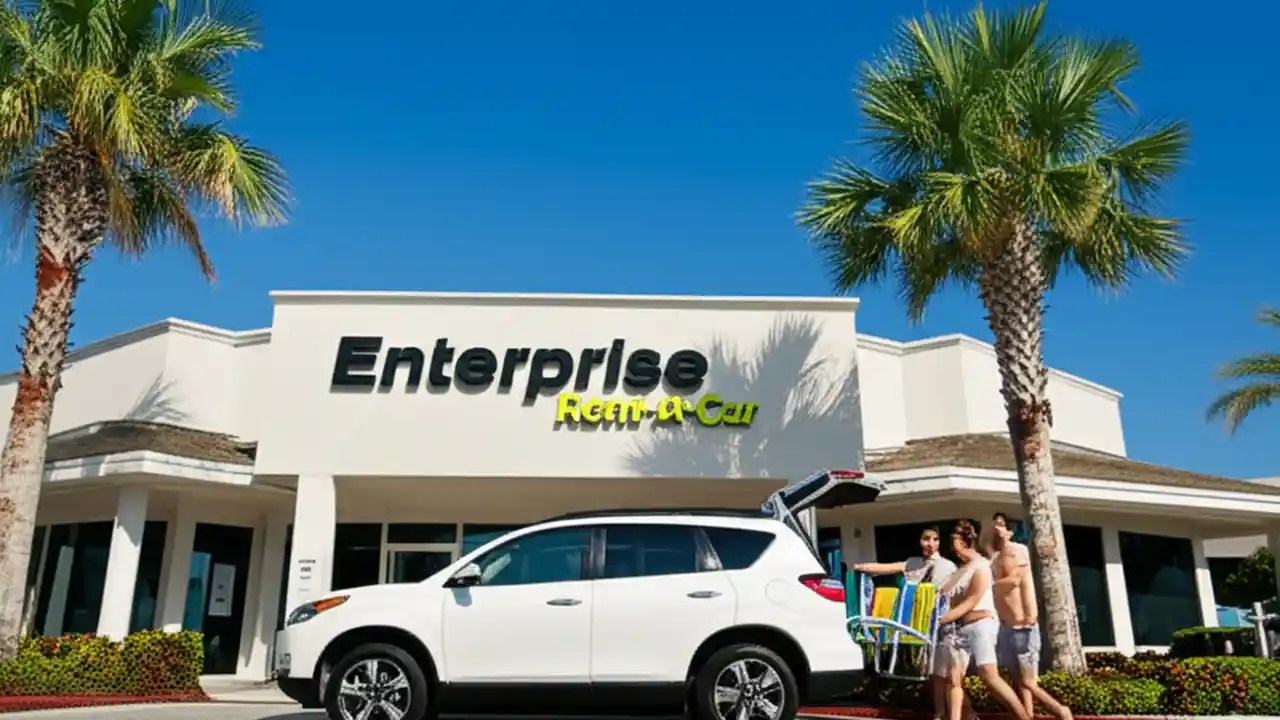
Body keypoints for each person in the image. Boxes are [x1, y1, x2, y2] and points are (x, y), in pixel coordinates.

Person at [852, 527, 958, 720]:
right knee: (933, 675)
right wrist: (861, 567)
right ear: (920, 541)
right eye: (926, 539)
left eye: (935, 539)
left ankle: (959, 712)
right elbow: (888, 567)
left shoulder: (948, 566)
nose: (930, 544)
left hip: (938, 624)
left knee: (944, 675)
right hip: (912, 625)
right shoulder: (913, 563)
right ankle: (939, 712)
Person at [936, 520, 1030, 720]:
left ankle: (1023, 717)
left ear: (962, 542)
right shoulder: (958, 571)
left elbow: (972, 600)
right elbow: (948, 598)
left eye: (954, 542)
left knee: (989, 675)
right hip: (958, 629)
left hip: (981, 625)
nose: (953, 547)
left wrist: (943, 618)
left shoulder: (981, 565)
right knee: (953, 678)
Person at [990, 513, 1072, 720]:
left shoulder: (1018, 550)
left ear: (1010, 530)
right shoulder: (994, 558)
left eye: (1001, 525)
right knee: (1018, 680)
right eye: (994, 525)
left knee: (1028, 681)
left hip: (1023, 624)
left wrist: (989, 586)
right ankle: (1028, 715)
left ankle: (1062, 711)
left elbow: (1016, 580)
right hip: (1005, 627)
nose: (996, 529)